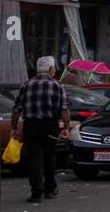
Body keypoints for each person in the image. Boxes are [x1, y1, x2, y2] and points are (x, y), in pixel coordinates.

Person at [12, 56, 71, 204]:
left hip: (31, 126)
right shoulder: (57, 85)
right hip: (50, 125)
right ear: (51, 69)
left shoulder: (26, 85)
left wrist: (14, 128)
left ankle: (36, 193)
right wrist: (66, 128)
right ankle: (50, 189)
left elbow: (16, 109)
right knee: (50, 156)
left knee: (35, 158)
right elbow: (64, 109)